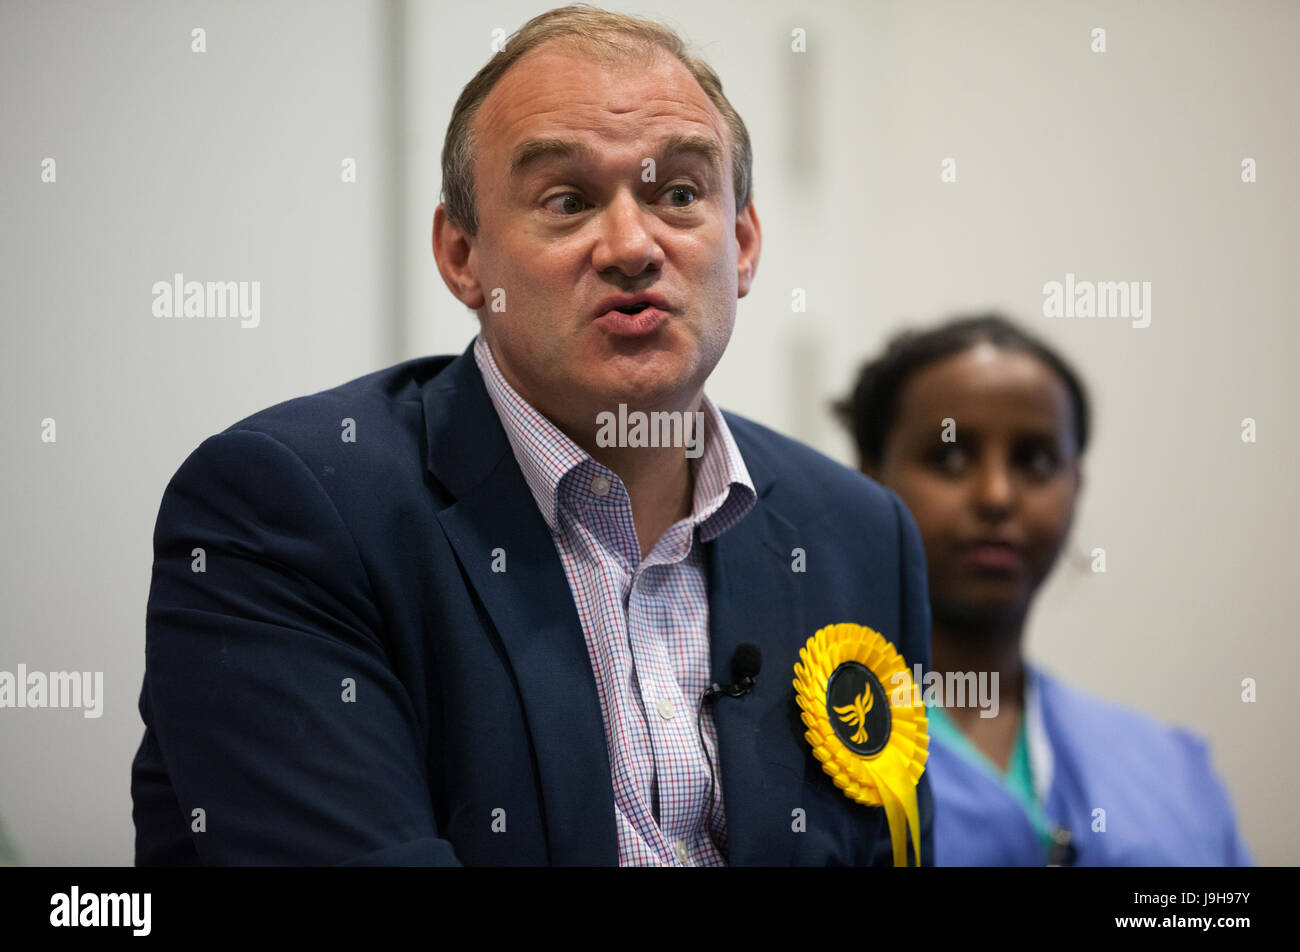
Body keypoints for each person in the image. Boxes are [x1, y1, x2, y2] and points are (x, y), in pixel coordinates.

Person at [130, 4, 935, 866]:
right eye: (567, 200)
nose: (632, 246)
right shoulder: (287, 509)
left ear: (741, 245)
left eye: (679, 195)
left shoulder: (856, 535)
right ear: (462, 255)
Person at [836, 313, 1253, 865]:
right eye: (950, 456)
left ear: (1075, 487)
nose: (996, 495)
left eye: (1034, 461)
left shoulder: (1172, 770)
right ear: (870, 480)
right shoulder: (805, 752)